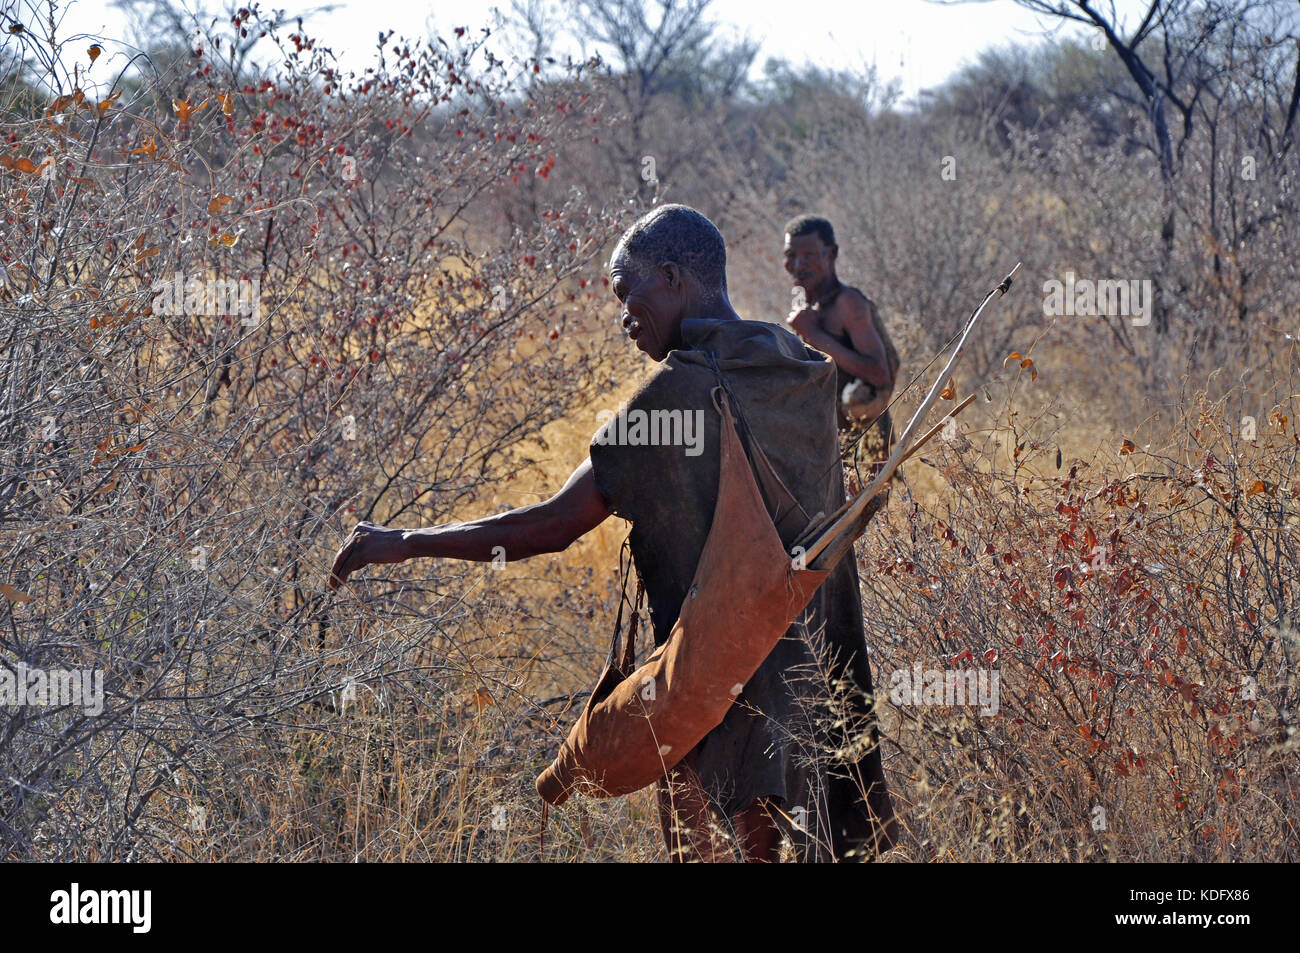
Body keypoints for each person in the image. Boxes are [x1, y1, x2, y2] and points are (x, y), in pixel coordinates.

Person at [328, 204, 897, 862]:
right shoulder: (793, 359)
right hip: (812, 663)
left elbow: (554, 523)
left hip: (715, 669)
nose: (624, 312)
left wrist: (400, 543)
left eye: (631, 291)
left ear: (675, 277)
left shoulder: (680, 390)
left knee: (735, 846)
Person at [782, 215, 900, 477]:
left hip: (865, 448)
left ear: (831, 254)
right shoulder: (810, 308)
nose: (799, 264)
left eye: (809, 255)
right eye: (791, 255)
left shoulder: (848, 304)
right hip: (829, 447)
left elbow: (879, 372)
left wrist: (814, 334)